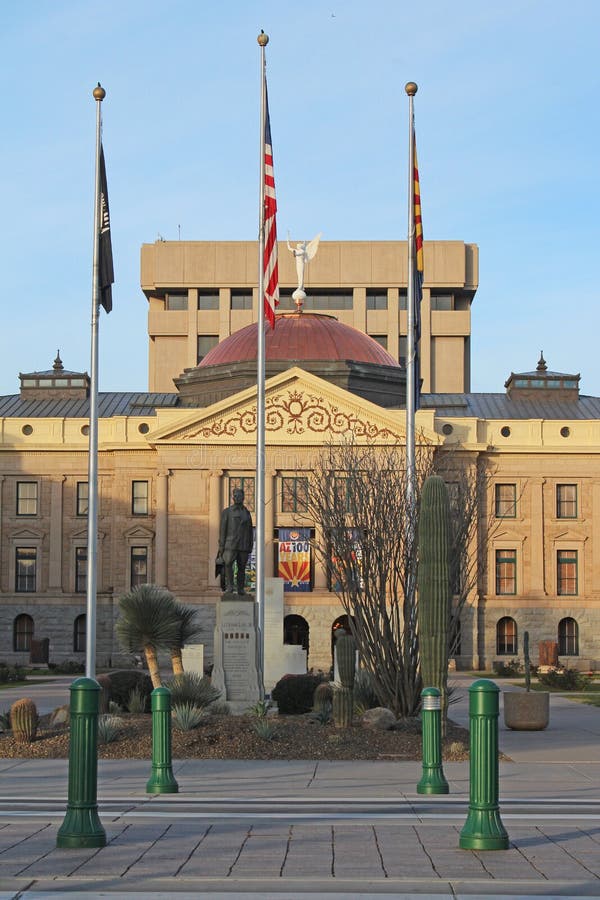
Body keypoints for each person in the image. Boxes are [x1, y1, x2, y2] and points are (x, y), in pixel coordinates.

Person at [217, 488, 253, 595]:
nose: (237, 498)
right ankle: (230, 587)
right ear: (233, 498)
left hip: (243, 545)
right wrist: (221, 546)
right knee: (228, 564)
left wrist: (250, 544)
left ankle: (241, 589)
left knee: (242, 567)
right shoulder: (227, 512)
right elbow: (222, 530)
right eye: (235, 496)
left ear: (243, 498)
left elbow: (250, 530)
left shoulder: (247, 513)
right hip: (230, 544)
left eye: (240, 496)